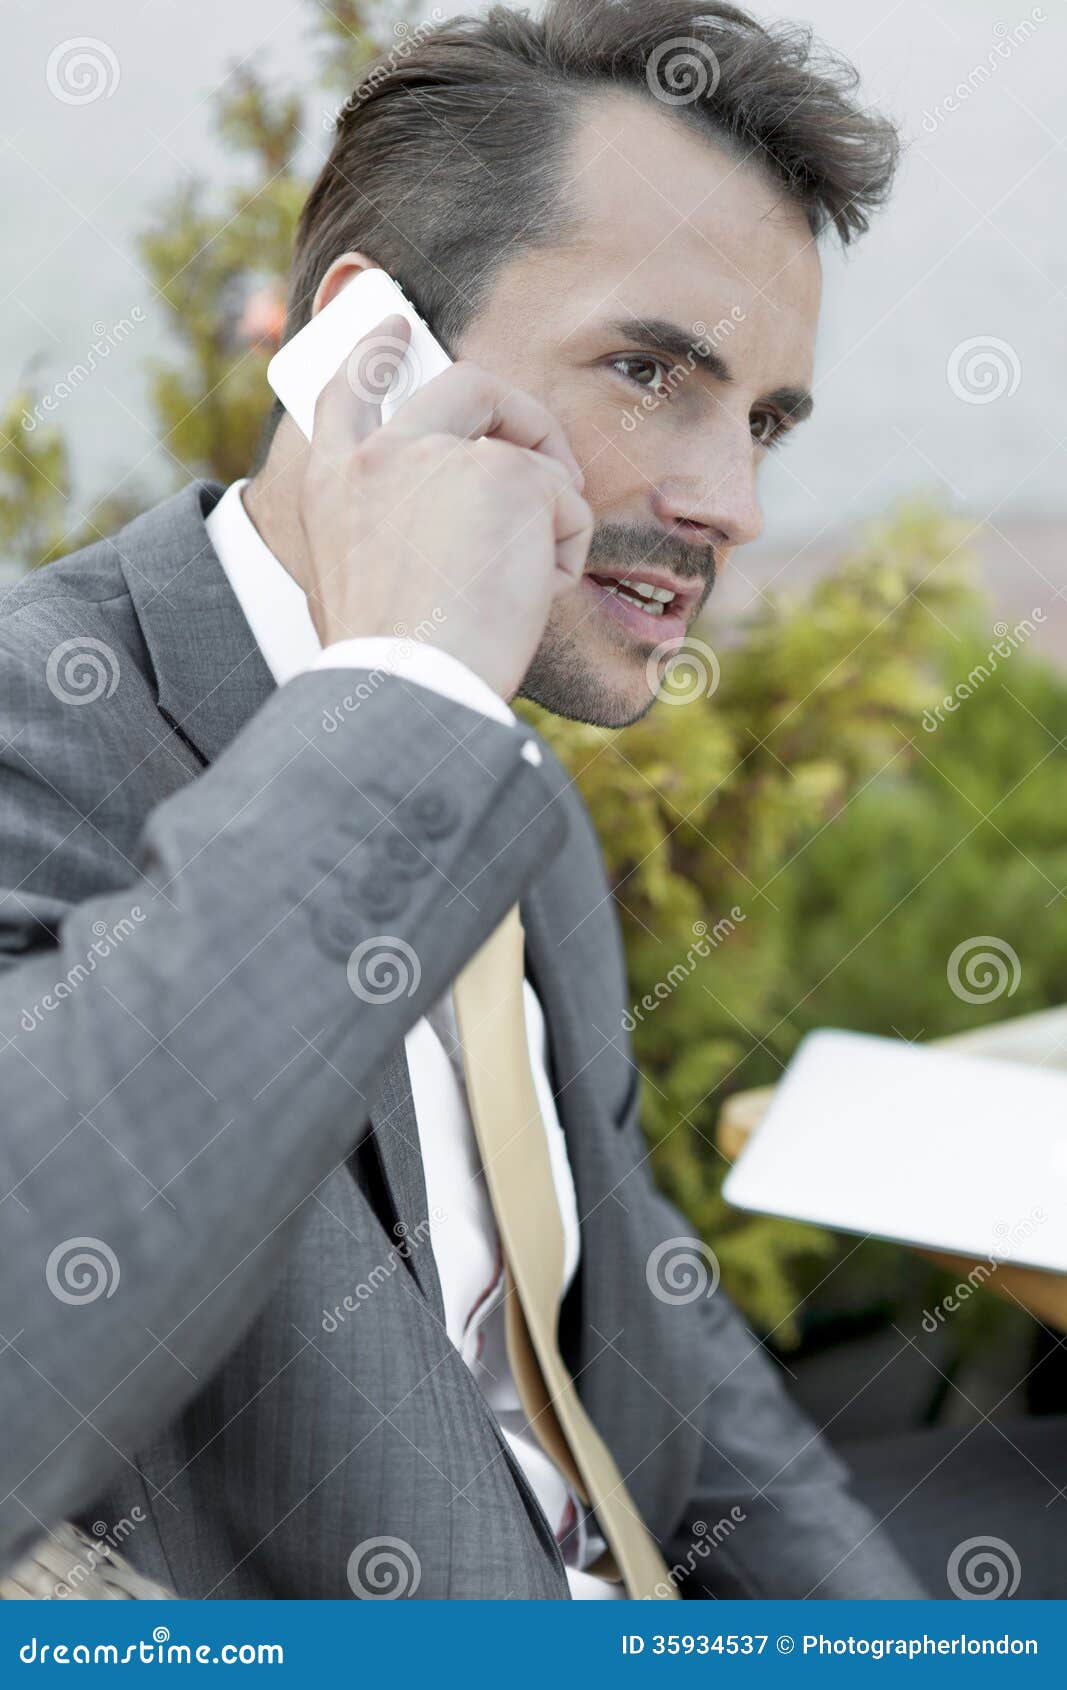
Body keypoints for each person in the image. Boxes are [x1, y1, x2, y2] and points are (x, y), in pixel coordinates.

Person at [0, 0, 930, 1600]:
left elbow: (638, 1308)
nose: (734, 502)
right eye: (650, 371)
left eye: (763, 421)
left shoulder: (506, 784)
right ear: (373, 352)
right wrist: (409, 684)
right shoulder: (46, 726)